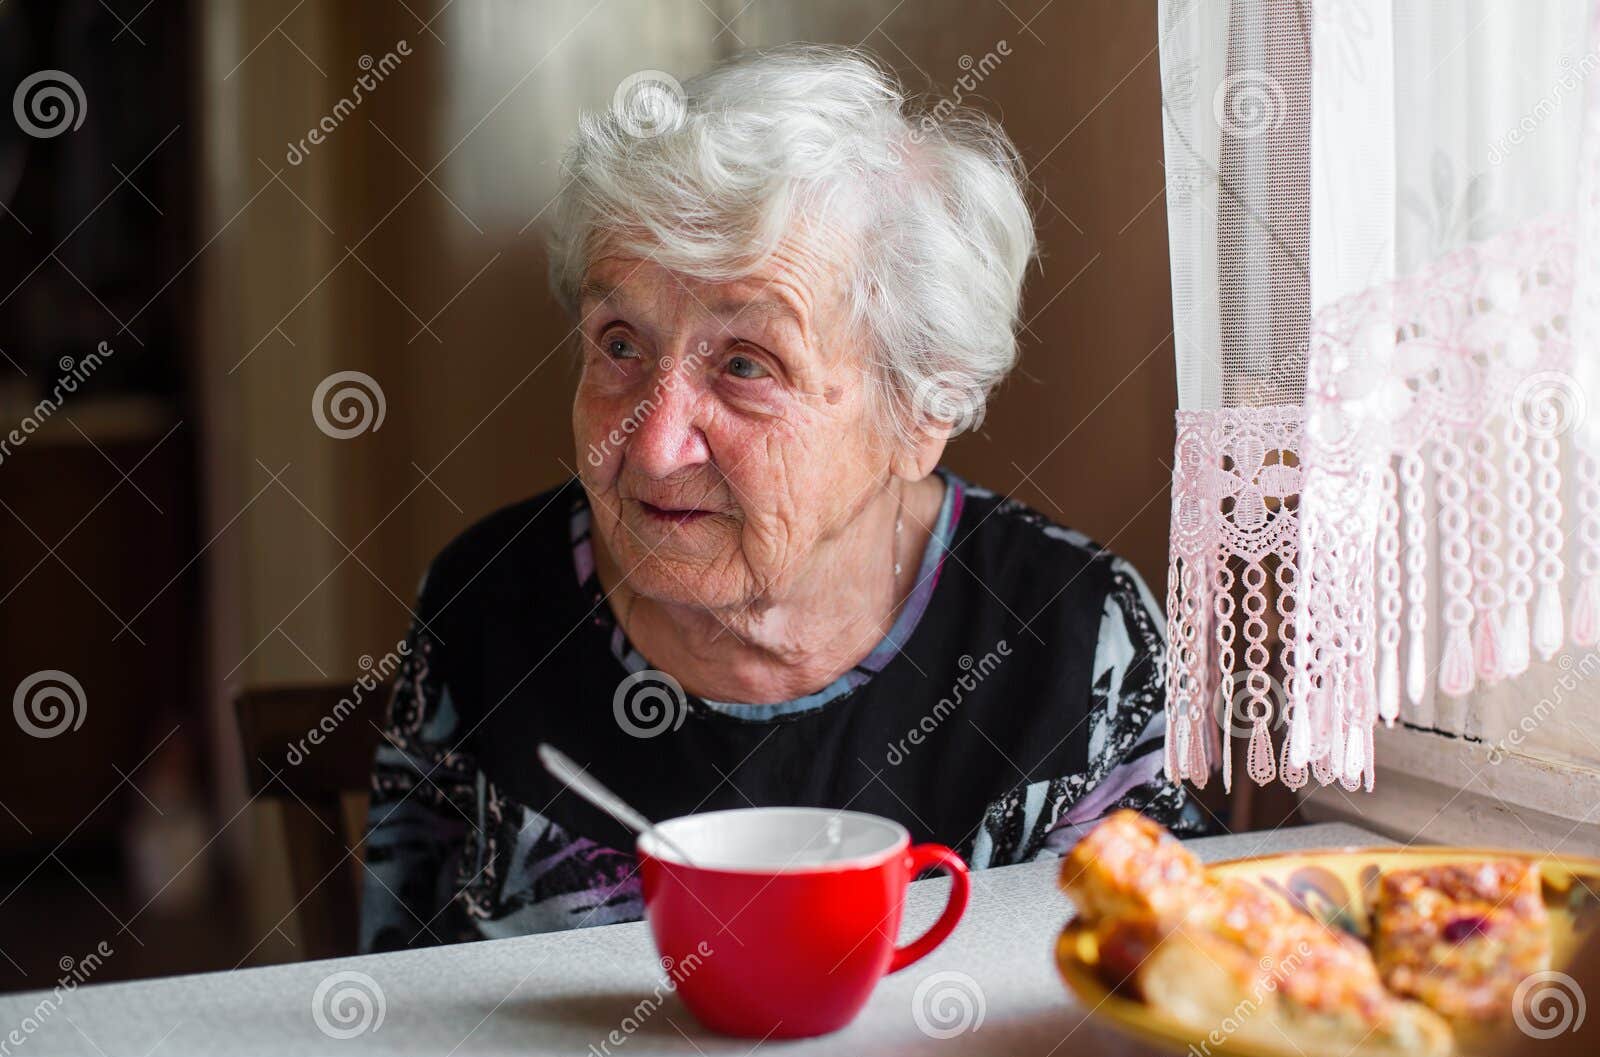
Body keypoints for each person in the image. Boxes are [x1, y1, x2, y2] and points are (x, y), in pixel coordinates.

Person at [359, 44, 1196, 951]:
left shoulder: (1076, 639)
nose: (651, 441)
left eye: (747, 364)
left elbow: (1166, 1016)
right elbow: (400, 1014)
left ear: (919, 410)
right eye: (620, 345)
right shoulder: (486, 603)